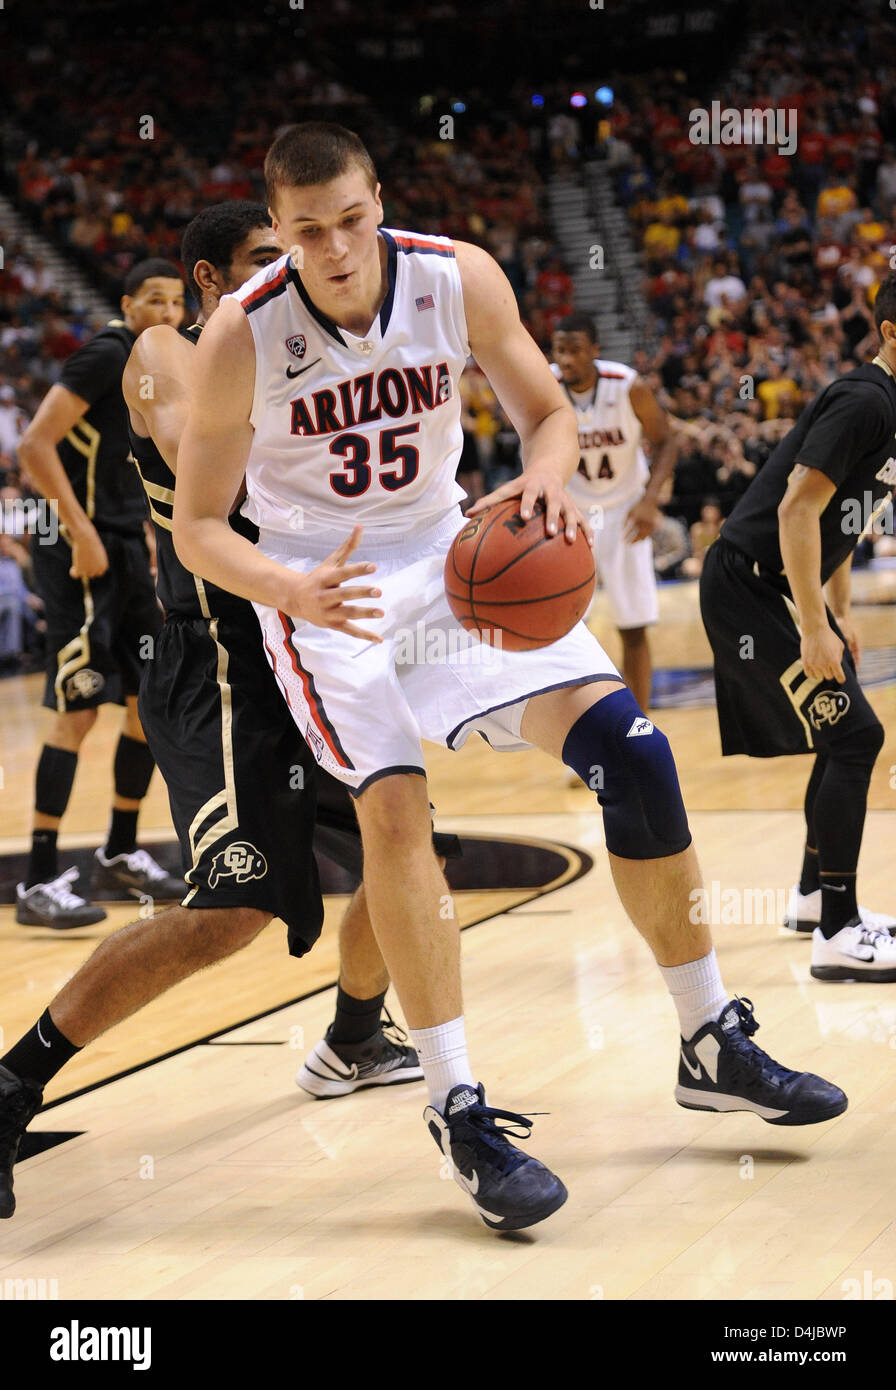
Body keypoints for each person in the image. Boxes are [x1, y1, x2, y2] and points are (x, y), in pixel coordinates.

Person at [175, 122, 846, 1234]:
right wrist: (284, 592)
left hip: (451, 562)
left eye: (350, 220)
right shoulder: (242, 335)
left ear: (375, 198)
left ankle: (707, 1034)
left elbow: (543, 414)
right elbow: (201, 526)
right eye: (305, 233)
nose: (335, 249)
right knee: (394, 816)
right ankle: (456, 1101)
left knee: (633, 752)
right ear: (279, 234)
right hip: (321, 591)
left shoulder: (454, 276)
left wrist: (541, 482)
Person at [0, 201, 443, 1222]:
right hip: (215, 669)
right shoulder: (163, 348)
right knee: (234, 903)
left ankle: (355, 1033)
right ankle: (15, 1080)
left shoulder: (297, 345)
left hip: (306, 644)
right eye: (261, 262)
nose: (290, 273)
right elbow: (184, 429)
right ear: (208, 285)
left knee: (404, 833)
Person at [700, 270, 896, 979]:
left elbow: (843, 522)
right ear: (891, 333)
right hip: (750, 588)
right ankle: (839, 934)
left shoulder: (887, 405)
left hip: (772, 589)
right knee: (856, 736)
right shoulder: (866, 401)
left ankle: (817, 897)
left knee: (839, 732)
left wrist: (837, 613)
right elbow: (795, 511)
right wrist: (813, 625)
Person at [16, 261, 189, 928]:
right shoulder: (108, 354)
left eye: (177, 302)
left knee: (146, 703)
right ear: (126, 304)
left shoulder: (157, 366)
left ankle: (119, 851)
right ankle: (37, 881)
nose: (169, 313)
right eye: (154, 300)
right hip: (76, 553)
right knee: (80, 709)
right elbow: (36, 445)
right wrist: (82, 530)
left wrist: (137, 535)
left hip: (120, 547)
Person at [549, 312, 679, 711]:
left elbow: (669, 440)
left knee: (633, 627)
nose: (566, 359)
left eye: (574, 350)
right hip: (573, 515)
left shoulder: (628, 386)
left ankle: (638, 732)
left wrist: (649, 501)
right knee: (566, 633)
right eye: (559, 350)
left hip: (625, 512)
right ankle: (584, 735)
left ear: (595, 351)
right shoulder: (545, 386)